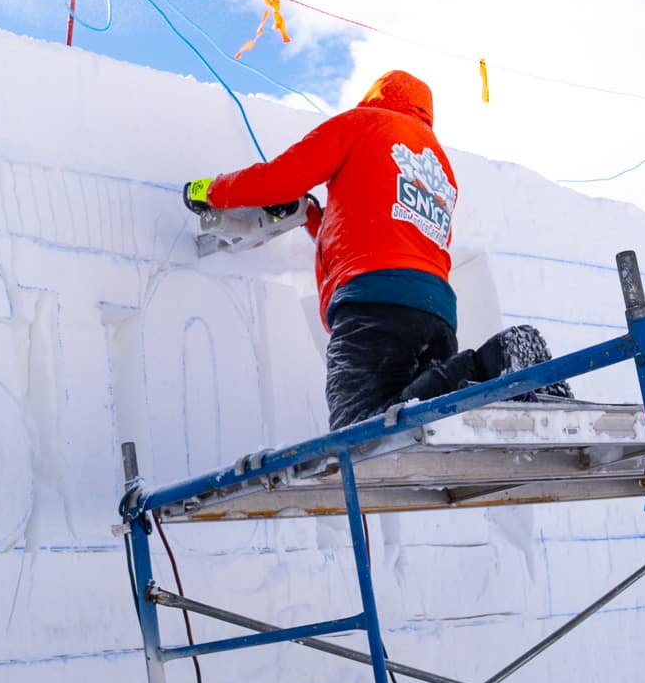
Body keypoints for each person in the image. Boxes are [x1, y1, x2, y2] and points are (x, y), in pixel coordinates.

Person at [184, 69, 568, 429]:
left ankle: (499, 358)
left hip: (374, 304)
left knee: (358, 429)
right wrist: (314, 218)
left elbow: (278, 182)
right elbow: (390, 231)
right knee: (409, 421)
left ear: (375, 96)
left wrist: (212, 191)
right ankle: (500, 365)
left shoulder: (361, 124)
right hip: (434, 308)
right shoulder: (436, 162)